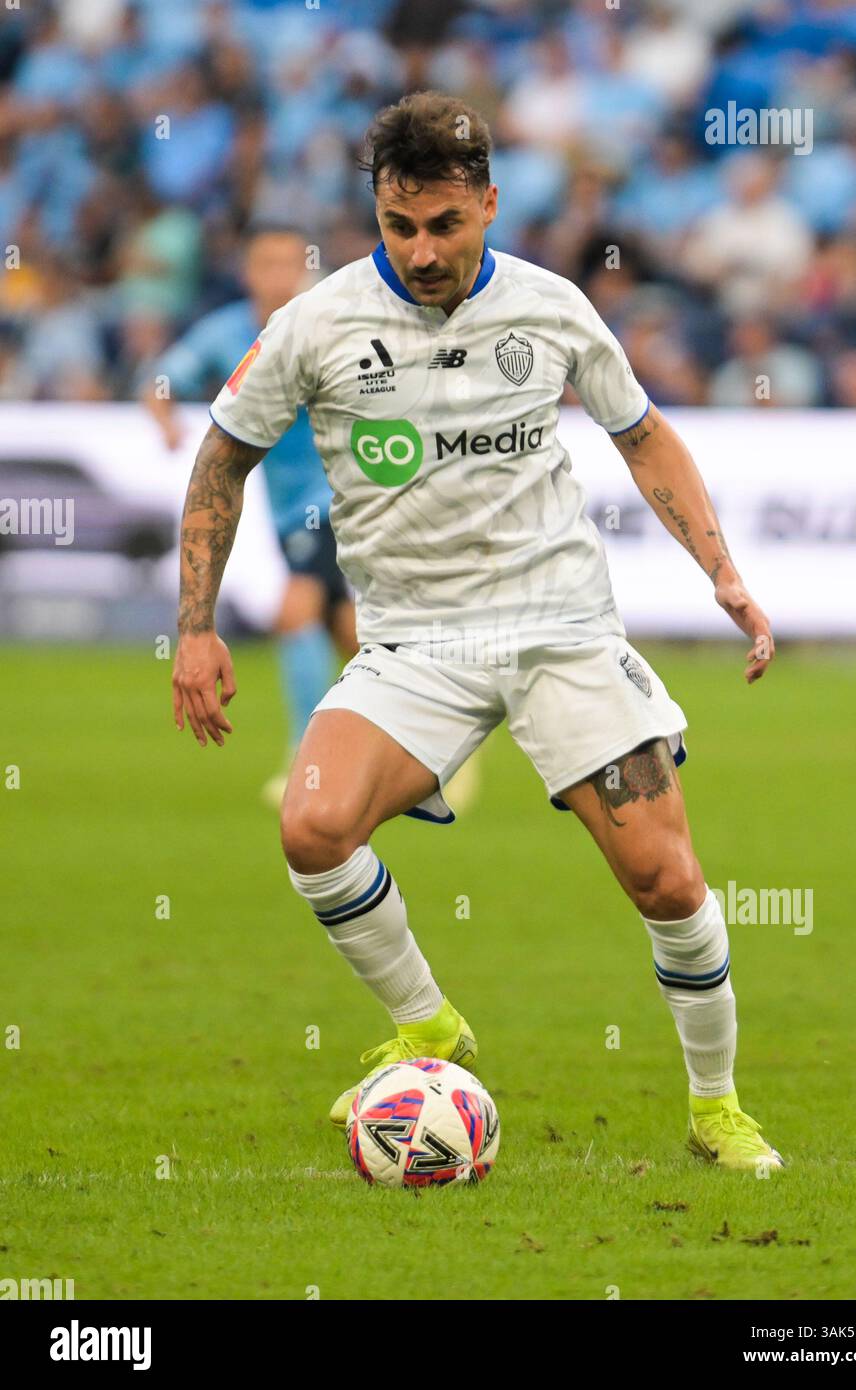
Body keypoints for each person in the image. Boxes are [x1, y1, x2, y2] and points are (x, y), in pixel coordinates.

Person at [172, 93, 783, 1172]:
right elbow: (221, 458)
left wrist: (723, 573)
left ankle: (715, 1108)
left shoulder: (551, 309)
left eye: (445, 225)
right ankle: (430, 1025)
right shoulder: (316, 323)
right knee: (313, 828)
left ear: (489, 204)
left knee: (668, 881)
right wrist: (195, 626)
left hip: (560, 628)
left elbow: (644, 437)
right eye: (398, 225)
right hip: (413, 642)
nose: (421, 251)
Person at [144, 223, 356, 800]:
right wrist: (164, 419)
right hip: (288, 512)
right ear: (248, 272)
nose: (279, 276)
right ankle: (431, 741)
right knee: (349, 632)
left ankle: (308, 759)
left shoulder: (328, 326)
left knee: (295, 610)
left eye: (290, 264)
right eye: (266, 264)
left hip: (339, 499)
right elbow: (159, 380)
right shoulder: (228, 332)